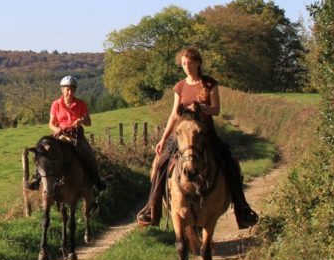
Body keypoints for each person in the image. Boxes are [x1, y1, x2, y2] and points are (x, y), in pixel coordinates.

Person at [136, 47, 259, 229]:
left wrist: (202, 108)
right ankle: (152, 208)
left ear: (198, 63)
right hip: (182, 136)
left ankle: (242, 208)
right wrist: (163, 139)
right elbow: (174, 115)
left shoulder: (209, 84)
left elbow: (216, 110)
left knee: (230, 162)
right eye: (184, 64)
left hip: (205, 135)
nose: (187, 66)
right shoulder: (180, 86)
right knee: (161, 164)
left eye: (190, 63)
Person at [28, 75, 106, 191]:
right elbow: (51, 124)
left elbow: (89, 122)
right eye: (67, 89)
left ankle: (97, 181)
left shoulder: (81, 104)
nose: (70, 92)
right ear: (62, 90)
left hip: (76, 136)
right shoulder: (56, 104)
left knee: (89, 154)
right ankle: (37, 179)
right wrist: (56, 129)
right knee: (42, 151)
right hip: (60, 135)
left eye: (72, 89)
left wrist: (81, 121)